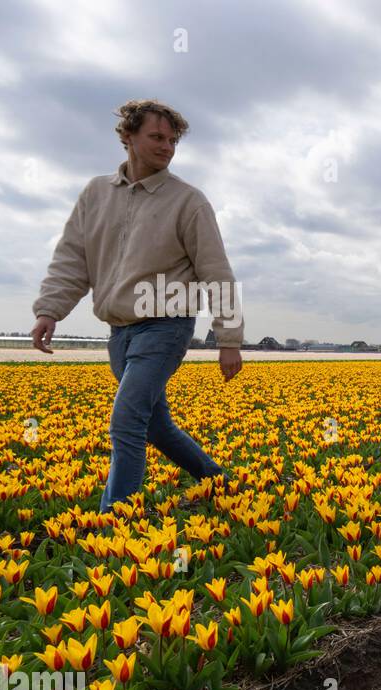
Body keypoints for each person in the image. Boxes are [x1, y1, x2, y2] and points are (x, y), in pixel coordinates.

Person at [30, 99, 245, 513]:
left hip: (167, 324)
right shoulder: (95, 194)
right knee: (155, 425)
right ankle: (219, 482)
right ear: (127, 137)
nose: (167, 147)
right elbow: (73, 256)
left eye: (172, 140)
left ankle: (116, 521)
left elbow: (216, 270)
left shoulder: (188, 201)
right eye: (157, 137)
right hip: (120, 330)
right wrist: (49, 310)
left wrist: (229, 338)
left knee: (126, 421)